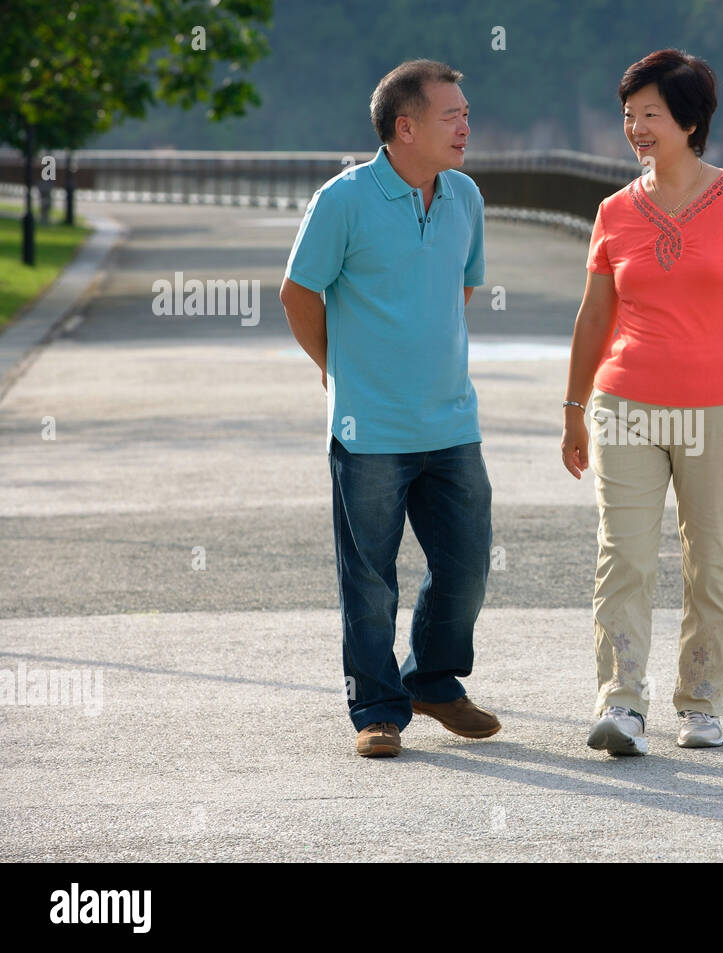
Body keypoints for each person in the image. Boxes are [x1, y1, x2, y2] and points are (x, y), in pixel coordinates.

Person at [561, 49, 723, 755]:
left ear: (690, 121)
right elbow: (591, 318)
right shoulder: (613, 212)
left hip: (720, 408)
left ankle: (700, 701)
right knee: (624, 556)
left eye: (651, 115)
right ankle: (621, 704)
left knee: (713, 559)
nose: (636, 128)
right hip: (625, 404)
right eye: (629, 115)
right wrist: (574, 409)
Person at [280, 59, 499, 758]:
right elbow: (297, 295)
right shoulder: (342, 201)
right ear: (406, 128)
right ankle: (378, 708)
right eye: (451, 116)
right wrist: (337, 366)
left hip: (452, 422)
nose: (466, 126)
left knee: (465, 564)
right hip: (368, 428)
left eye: (465, 113)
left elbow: (457, 290)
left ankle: (433, 680)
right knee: (370, 579)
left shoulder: (465, 197)